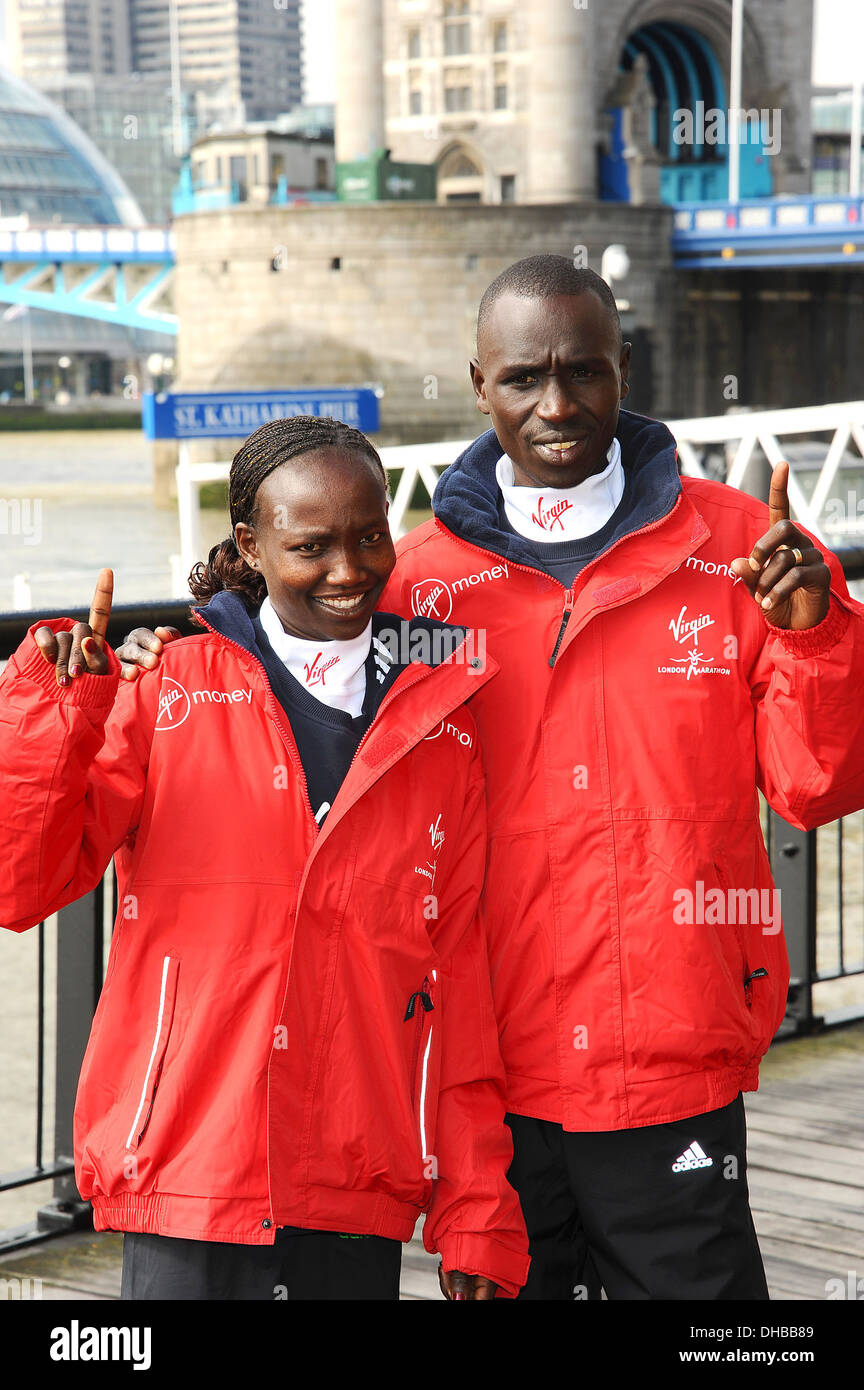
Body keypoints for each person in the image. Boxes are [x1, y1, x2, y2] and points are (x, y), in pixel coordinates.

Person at [119, 257, 864, 1301]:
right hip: (484, 1075)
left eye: (583, 372)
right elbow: (295, 722)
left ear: (626, 369)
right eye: (523, 378)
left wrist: (819, 632)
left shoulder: (745, 553)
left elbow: (817, 787)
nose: (556, 405)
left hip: (667, 1056)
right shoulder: (408, 579)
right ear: (479, 384)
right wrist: (175, 664)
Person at [0, 415, 530, 1302]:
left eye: (370, 538)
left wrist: (477, 1209)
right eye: (311, 545)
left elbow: (459, 988)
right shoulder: (163, 690)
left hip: (356, 1179)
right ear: (251, 543)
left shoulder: (444, 730)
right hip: (187, 1170)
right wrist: (52, 718)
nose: (350, 570)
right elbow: (22, 887)